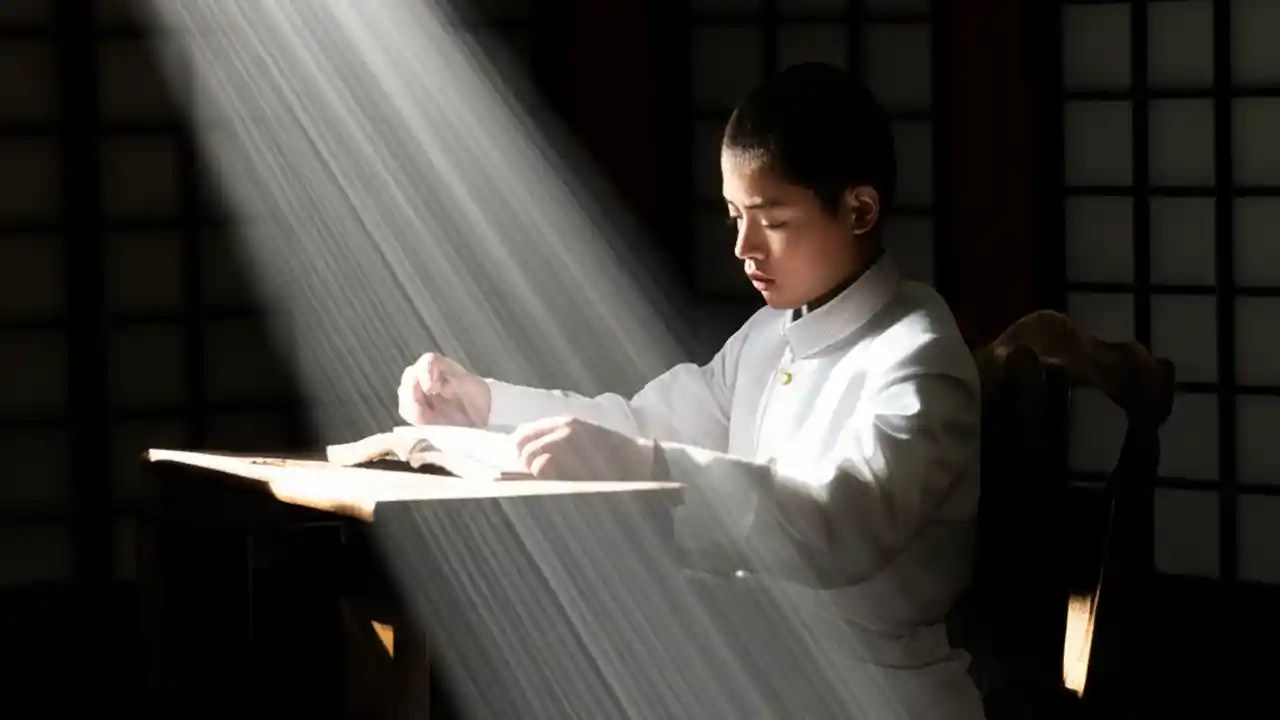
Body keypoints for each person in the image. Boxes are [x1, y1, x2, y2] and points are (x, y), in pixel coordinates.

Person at [397, 62, 985, 719]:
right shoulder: (768, 336)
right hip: (763, 683)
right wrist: (488, 406)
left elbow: (843, 519)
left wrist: (654, 468)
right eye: (735, 215)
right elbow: (646, 423)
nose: (742, 246)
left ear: (859, 209)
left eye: (773, 219)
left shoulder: (919, 351)